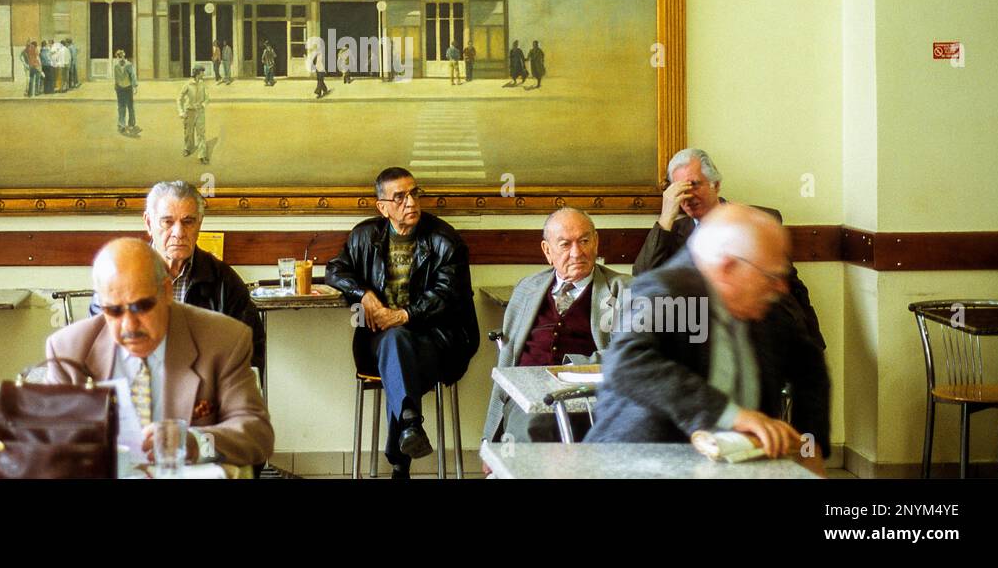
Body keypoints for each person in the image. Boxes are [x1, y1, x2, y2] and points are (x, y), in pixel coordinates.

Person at [586, 205, 829, 473]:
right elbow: (628, 362)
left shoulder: (763, 300)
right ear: (728, 268)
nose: (781, 288)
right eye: (771, 277)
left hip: (738, 465)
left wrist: (809, 447)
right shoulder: (670, 290)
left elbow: (809, 367)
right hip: (643, 463)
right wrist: (730, 415)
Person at [46, 238, 273, 468]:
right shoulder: (68, 350)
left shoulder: (222, 340)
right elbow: (48, 445)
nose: (129, 326)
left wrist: (194, 442)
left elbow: (255, 435)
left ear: (167, 292)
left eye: (141, 307)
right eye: (114, 311)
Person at [325, 167, 479, 478]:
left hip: (438, 340)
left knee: (400, 343)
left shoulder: (445, 240)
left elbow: (446, 294)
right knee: (396, 343)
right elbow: (334, 271)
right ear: (382, 206)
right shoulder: (364, 236)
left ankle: (403, 447)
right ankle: (408, 431)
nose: (411, 202)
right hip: (377, 340)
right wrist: (363, 293)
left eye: (414, 193)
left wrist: (403, 315)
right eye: (400, 197)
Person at [634, 148, 824, 349]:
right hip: (702, 343)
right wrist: (666, 217)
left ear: (715, 184)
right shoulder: (672, 233)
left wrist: (812, 343)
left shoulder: (753, 222)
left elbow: (789, 286)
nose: (688, 196)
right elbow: (643, 278)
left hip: (759, 338)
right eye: (680, 189)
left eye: (694, 185)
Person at [482, 208, 629, 444]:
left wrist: (571, 369)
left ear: (596, 242)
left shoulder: (624, 290)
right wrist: (488, 439)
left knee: (541, 428)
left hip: (586, 398)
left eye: (584, 241)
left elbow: (629, 354)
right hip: (527, 397)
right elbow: (506, 363)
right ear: (547, 251)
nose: (576, 252)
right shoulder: (527, 289)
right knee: (530, 424)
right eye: (565, 244)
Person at [140, 181, 266, 372]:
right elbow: (102, 353)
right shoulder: (119, 276)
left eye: (188, 222)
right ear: (149, 223)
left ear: (199, 223)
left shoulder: (226, 282)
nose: (179, 233)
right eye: (167, 222)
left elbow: (250, 354)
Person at [178, 66, 209, 162]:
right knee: (188, 132)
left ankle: (202, 155)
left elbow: (207, 97)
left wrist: (203, 105)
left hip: (200, 112)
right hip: (189, 111)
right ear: (197, 73)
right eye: (202, 72)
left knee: (201, 134)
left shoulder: (203, 84)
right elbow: (179, 98)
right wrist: (181, 111)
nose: (203, 74)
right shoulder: (188, 84)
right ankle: (187, 148)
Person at [113, 48, 137, 135]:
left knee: (130, 106)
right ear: (117, 57)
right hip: (120, 88)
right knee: (121, 106)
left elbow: (133, 76)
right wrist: (116, 86)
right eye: (118, 57)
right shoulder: (116, 66)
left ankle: (131, 123)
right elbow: (116, 77)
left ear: (124, 56)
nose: (120, 58)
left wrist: (134, 87)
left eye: (121, 56)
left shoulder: (129, 65)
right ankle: (122, 124)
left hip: (128, 87)